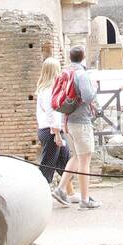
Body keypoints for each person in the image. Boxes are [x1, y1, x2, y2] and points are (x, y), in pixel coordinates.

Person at [56, 45, 101, 210]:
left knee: (75, 157)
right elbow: (88, 96)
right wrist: (94, 88)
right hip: (81, 122)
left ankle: (61, 189)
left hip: (67, 121)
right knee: (85, 160)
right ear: (83, 57)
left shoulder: (65, 73)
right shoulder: (81, 74)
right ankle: (84, 200)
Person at [35, 57, 72, 204]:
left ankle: (69, 193)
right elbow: (53, 113)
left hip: (50, 130)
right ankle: (38, 198)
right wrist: (56, 134)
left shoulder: (44, 89)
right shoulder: (49, 90)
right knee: (47, 166)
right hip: (51, 131)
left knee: (65, 162)